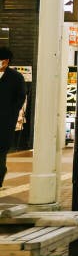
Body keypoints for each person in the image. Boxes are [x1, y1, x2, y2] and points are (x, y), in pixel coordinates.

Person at [0, 48, 26, 188]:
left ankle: (0, 173)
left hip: (5, 121)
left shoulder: (16, 77)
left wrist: (12, 112)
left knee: (1, 149)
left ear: (7, 61)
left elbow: (21, 96)